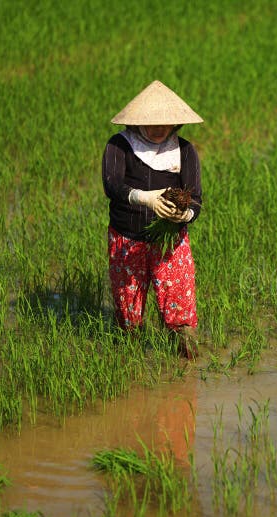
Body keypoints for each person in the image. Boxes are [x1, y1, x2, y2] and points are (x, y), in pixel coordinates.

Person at [102, 80, 204, 358]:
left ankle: (186, 368)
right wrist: (143, 197)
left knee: (179, 309)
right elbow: (111, 185)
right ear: (136, 122)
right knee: (128, 313)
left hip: (170, 241)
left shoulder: (184, 151)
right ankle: (130, 364)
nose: (159, 129)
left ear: (175, 123)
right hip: (126, 237)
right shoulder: (119, 146)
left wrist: (186, 213)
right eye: (152, 123)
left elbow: (195, 198)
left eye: (165, 123)